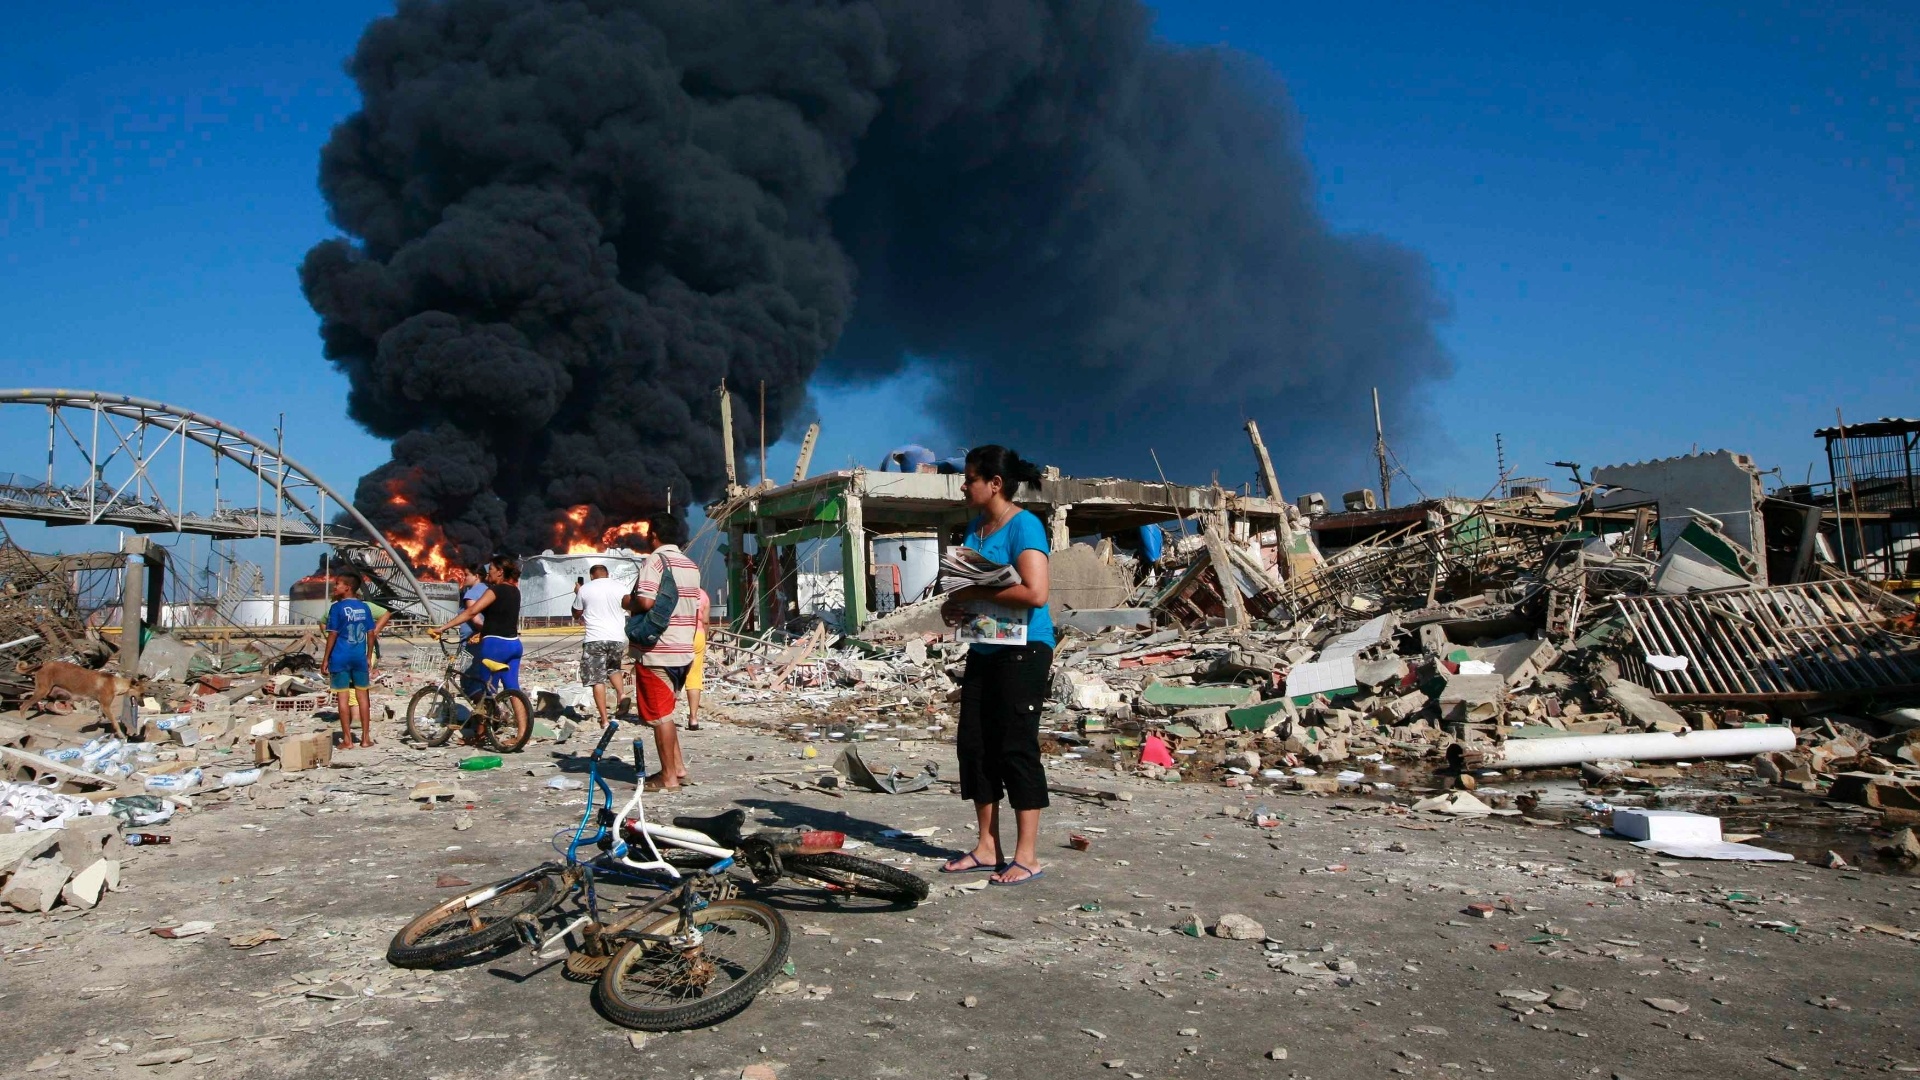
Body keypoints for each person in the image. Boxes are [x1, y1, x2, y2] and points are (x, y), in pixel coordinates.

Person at [939, 445, 1054, 886]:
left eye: (970, 478)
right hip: (985, 647)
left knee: (1015, 746)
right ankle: (988, 845)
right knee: (974, 745)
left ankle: (1027, 856)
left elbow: (1035, 593)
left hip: (1024, 650)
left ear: (995, 483)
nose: (965, 486)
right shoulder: (976, 528)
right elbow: (968, 588)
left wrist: (973, 596)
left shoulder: (1024, 525)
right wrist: (956, 607)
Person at [623, 514, 700, 791]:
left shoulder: (655, 560)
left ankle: (668, 777)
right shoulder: (690, 565)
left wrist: (626, 600)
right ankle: (678, 767)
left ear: (653, 535)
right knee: (667, 712)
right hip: (684, 651)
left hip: (658, 650)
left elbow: (645, 601)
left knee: (660, 718)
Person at [435, 555, 523, 700]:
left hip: (495, 646)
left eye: (492, 569)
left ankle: (485, 722)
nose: (489, 572)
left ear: (500, 572)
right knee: (513, 689)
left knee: (487, 691)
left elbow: (471, 612)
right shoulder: (515, 591)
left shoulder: (494, 590)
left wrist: (443, 627)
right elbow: (501, 617)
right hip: (514, 644)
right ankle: (524, 723)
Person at [321, 571, 378, 749]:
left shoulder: (337, 608)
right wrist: (369, 655)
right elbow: (371, 633)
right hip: (359, 657)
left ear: (348, 587)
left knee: (343, 698)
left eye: (337, 584)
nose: (335, 587)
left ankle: (347, 740)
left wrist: (325, 659)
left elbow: (332, 634)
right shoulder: (364, 608)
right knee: (363, 698)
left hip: (340, 656)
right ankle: (365, 738)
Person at [572, 562, 631, 730]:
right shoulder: (620, 587)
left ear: (591, 576)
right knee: (613, 669)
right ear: (608, 574)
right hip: (617, 638)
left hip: (595, 638)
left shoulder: (585, 589)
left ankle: (604, 719)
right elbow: (629, 606)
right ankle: (622, 694)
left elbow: (576, 613)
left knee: (597, 678)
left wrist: (577, 593)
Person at [684, 585, 711, 730]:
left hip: (679, 634)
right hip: (698, 634)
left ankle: (665, 715)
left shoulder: (678, 591)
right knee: (694, 676)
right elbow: (705, 621)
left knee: (672, 674)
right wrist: (704, 637)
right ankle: (693, 718)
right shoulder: (703, 594)